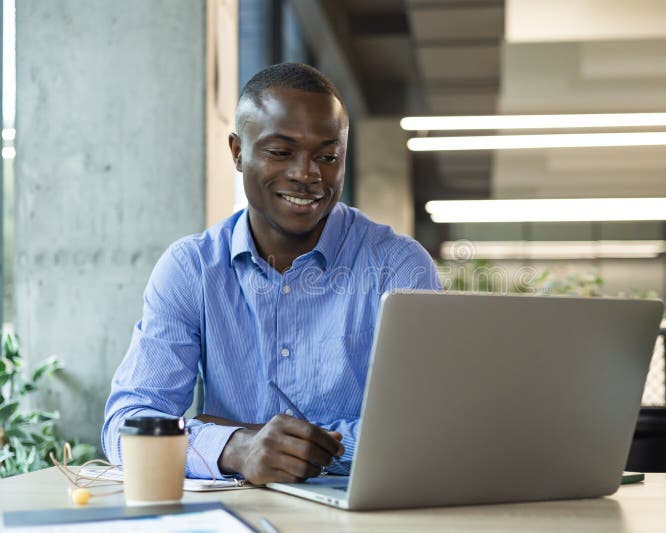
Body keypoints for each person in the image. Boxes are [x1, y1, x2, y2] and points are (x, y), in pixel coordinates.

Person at [102, 63, 441, 484]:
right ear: (237, 151)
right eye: (281, 152)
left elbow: (424, 429)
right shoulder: (191, 269)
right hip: (232, 513)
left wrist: (261, 440)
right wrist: (235, 447)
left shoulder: (399, 266)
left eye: (328, 156)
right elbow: (128, 425)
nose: (306, 174)